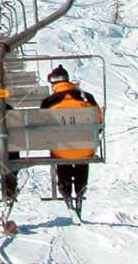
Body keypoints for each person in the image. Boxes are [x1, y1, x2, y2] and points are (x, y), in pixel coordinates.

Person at [41, 65, 100, 216]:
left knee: (62, 157)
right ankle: (80, 189)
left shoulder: (48, 102)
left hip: (61, 149)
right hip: (85, 148)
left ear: (53, 83)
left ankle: (65, 189)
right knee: (83, 153)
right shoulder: (86, 97)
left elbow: (42, 126)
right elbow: (99, 120)